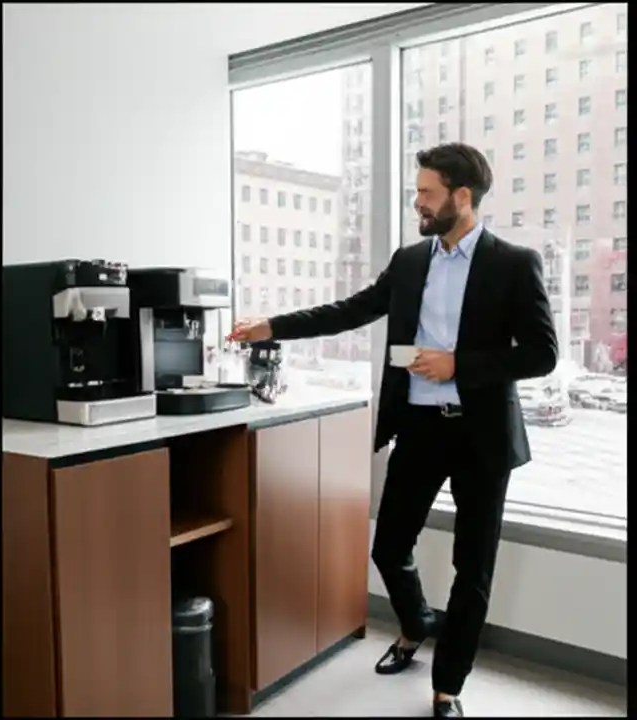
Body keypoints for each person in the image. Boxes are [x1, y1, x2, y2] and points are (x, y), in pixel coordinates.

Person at [228, 143, 556, 719]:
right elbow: (350, 310)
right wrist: (271, 326)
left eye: (427, 192)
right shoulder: (410, 261)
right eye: (417, 191)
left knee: (472, 569)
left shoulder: (513, 263)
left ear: (462, 196)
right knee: (388, 546)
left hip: (481, 437)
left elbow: (542, 354)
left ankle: (447, 686)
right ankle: (415, 623)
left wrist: (460, 365)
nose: (417, 202)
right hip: (420, 428)